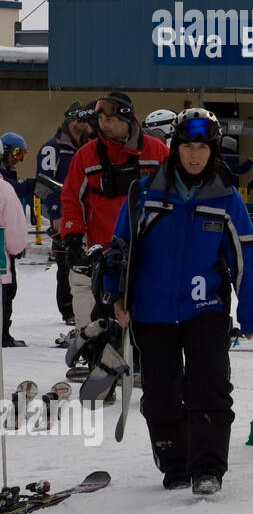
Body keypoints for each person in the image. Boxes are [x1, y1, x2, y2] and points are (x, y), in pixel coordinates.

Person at [102, 109, 253, 495]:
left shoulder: (226, 199)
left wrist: (251, 309)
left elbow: (246, 256)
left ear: (214, 151)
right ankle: (174, 462)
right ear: (176, 148)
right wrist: (114, 295)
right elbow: (119, 249)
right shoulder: (144, 194)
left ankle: (207, 467)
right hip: (152, 310)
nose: (195, 155)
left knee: (208, 386)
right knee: (160, 392)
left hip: (205, 309)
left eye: (203, 148)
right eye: (188, 146)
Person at [59, 92, 170, 329]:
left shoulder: (157, 152)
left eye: (109, 120)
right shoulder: (86, 155)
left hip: (149, 257)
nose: (103, 126)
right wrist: (72, 238)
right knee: (99, 332)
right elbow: (71, 198)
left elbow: (175, 199)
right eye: (100, 120)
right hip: (103, 255)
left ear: (126, 118)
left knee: (148, 331)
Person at [38, 102, 92, 331]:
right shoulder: (54, 148)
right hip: (64, 213)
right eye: (82, 121)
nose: (87, 124)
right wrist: (56, 215)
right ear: (72, 122)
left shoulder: (88, 146)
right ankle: (68, 308)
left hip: (87, 215)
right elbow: (44, 183)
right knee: (66, 263)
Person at [1, 132, 32, 347]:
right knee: (6, 290)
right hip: (4, 252)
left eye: (23, 154)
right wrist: (16, 245)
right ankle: (3, 333)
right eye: (16, 153)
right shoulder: (6, 185)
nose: (19, 158)